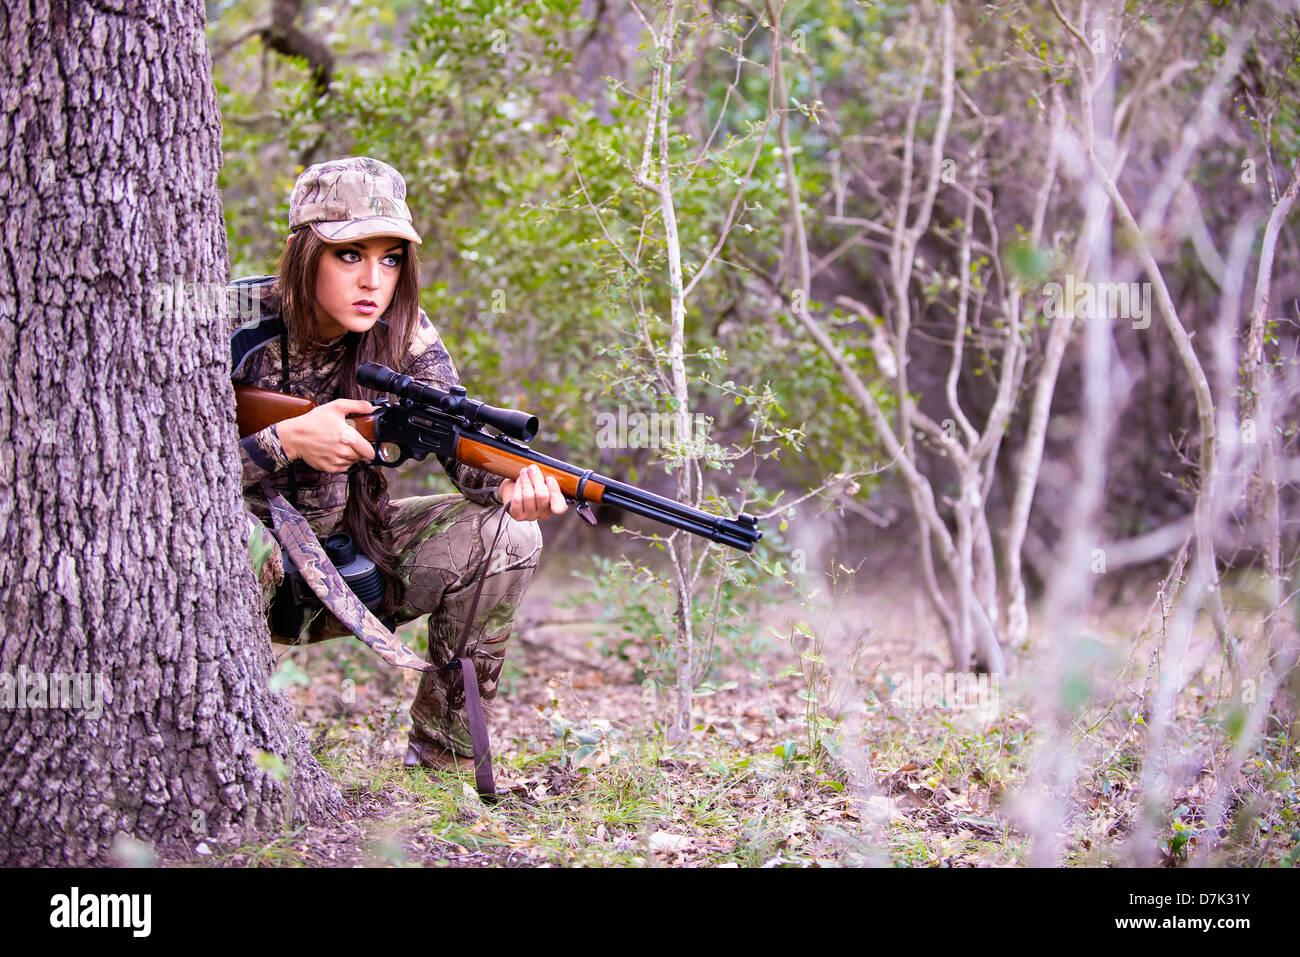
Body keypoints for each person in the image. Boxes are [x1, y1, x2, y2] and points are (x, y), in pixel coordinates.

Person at [232, 156, 566, 773]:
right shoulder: (228, 320)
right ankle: (235, 752)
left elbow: (467, 458)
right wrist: (287, 441)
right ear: (302, 252)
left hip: (352, 564)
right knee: (226, 542)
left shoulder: (404, 333)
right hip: (241, 571)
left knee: (508, 532)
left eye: (390, 258)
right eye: (349, 254)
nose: (373, 281)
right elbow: (154, 476)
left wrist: (519, 486)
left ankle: (445, 761)